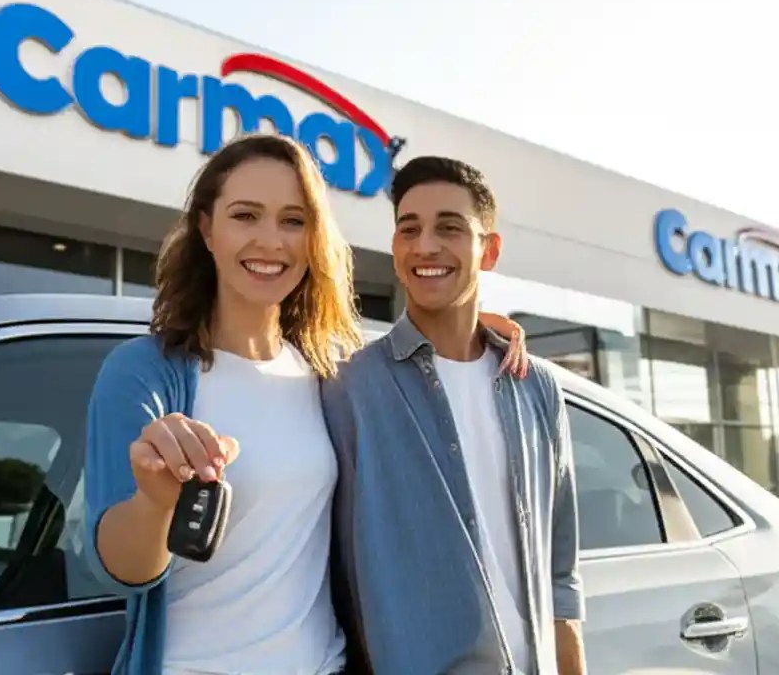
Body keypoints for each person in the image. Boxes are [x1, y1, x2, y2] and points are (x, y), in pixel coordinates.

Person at [81, 134, 530, 675]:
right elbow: (122, 570)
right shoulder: (144, 372)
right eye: (246, 216)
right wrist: (155, 505)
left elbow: (433, 368)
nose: (271, 242)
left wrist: (476, 328)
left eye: (293, 221)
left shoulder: (332, 374)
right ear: (207, 228)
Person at [321, 155, 588, 675]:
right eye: (409, 229)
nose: (425, 247)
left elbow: (562, 571)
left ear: (488, 250)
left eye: (449, 228)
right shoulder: (348, 388)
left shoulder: (536, 388)